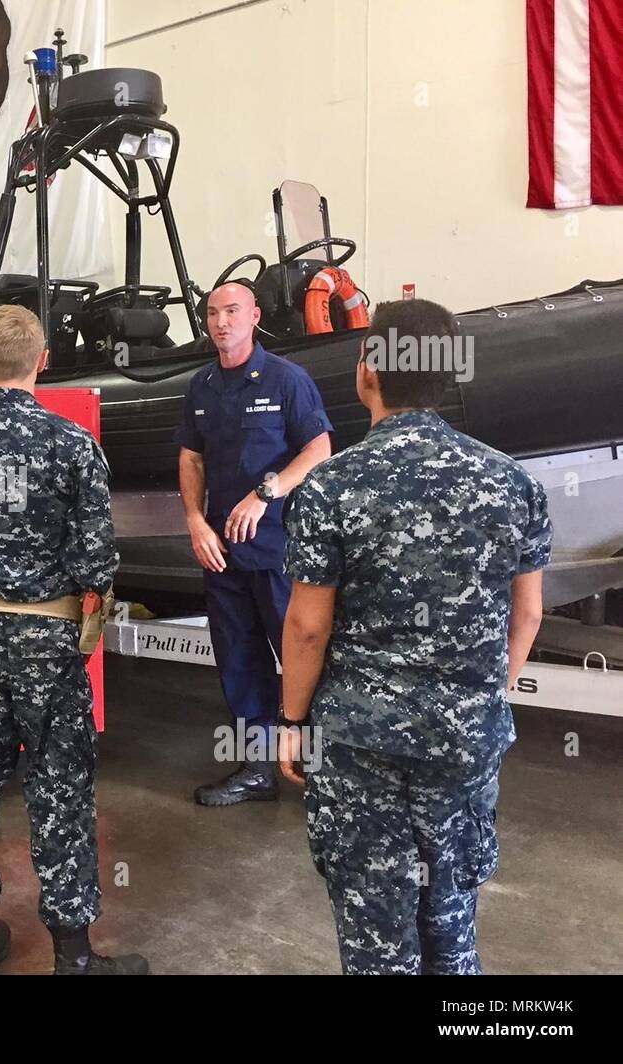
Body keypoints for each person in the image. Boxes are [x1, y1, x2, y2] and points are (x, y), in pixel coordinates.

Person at [279, 298, 551, 974]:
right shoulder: (512, 482)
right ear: (450, 375)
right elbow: (528, 615)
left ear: (367, 372)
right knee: (452, 917)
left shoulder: (330, 487)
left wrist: (291, 722)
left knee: (375, 932)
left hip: (358, 746)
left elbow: (308, 627)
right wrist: (489, 696)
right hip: (464, 741)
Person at [0, 305, 147, 975]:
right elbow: (97, 565)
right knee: (60, 789)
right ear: (43, 360)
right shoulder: (72, 443)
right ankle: (74, 959)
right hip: (50, 640)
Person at [177, 281, 332, 805]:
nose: (222, 322)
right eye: (214, 313)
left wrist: (267, 492)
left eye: (233, 311)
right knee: (239, 661)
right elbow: (192, 458)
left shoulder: (288, 380)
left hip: (279, 549)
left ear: (255, 316)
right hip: (221, 553)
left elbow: (318, 450)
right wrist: (195, 521)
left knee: (304, 653)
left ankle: (320, 767)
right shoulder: (200, 387)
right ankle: (256, 770)